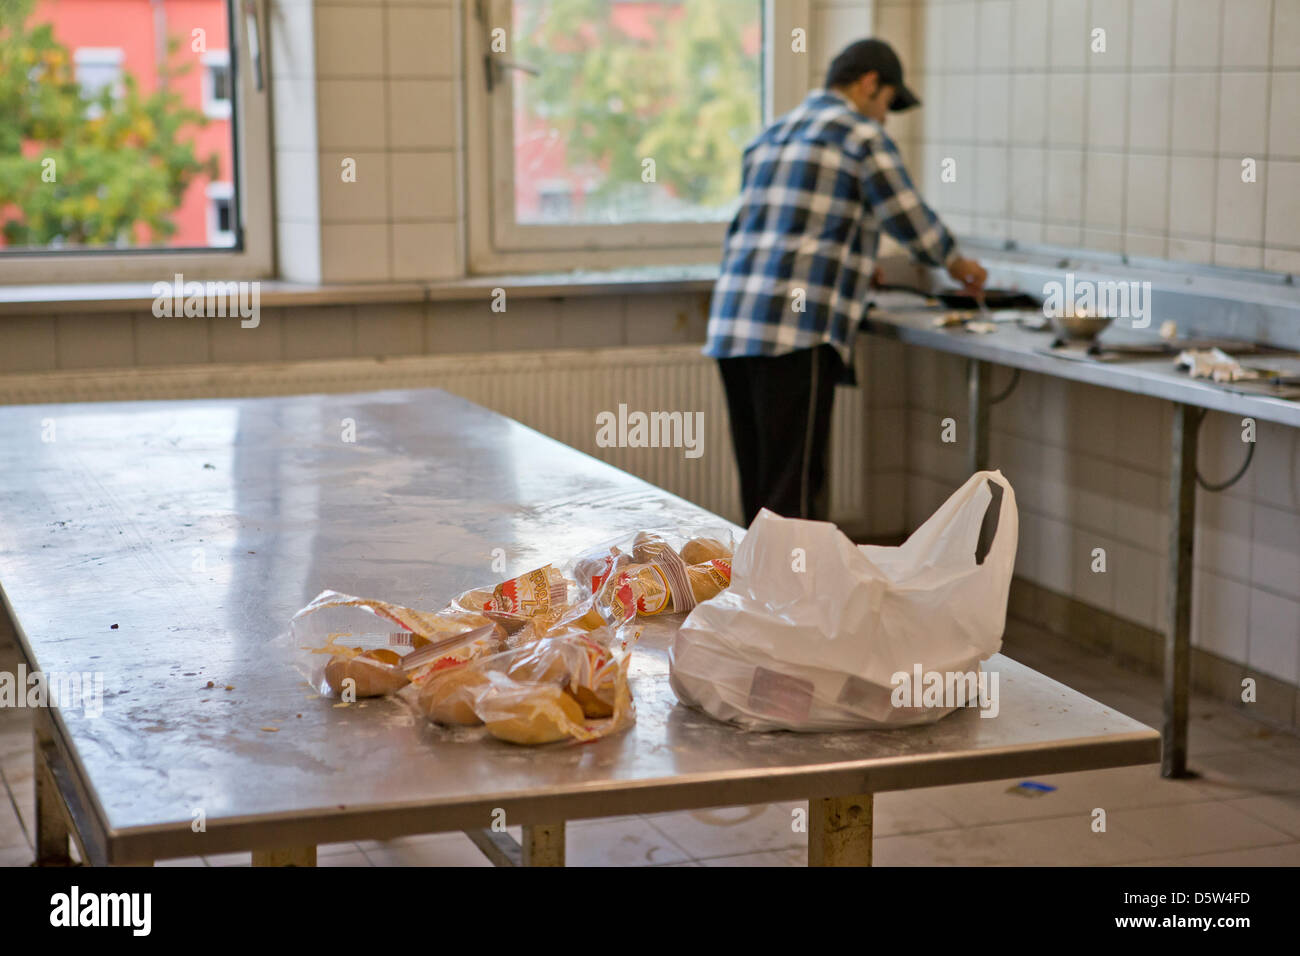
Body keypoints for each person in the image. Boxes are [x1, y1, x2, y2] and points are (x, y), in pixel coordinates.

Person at [705, 38, 987, 526]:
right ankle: (800, 600)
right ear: (869, 83)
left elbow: (788, 225)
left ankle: (762, 597)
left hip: (734, 325)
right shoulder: (859, 134)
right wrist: (959, 264)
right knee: (795, 493)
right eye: (885, 105)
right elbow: (908, 219)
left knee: (762, 493)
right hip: (796, 334)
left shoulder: (773, 133)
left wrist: (856, 259)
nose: (884, 119)